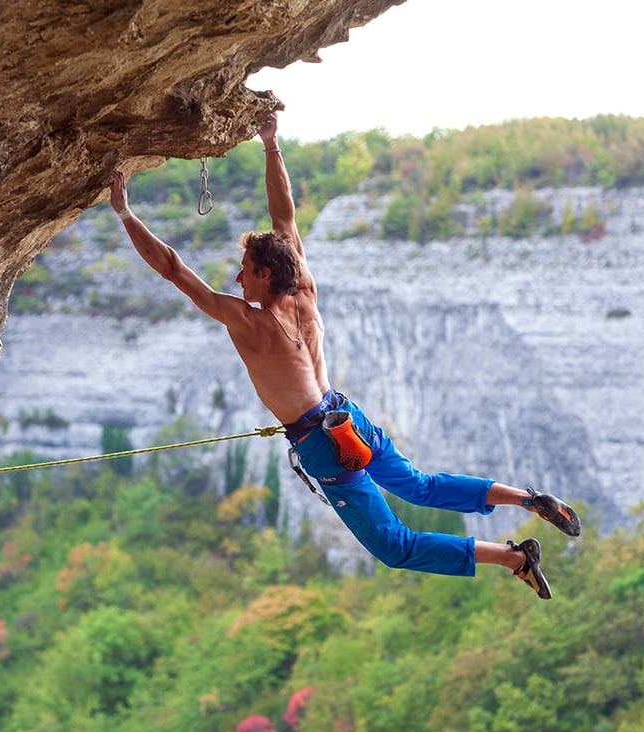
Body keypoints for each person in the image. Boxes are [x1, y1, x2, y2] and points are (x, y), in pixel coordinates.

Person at [107, 113, 580, 599]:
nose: (237, 280)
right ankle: (527, 498)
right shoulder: (304, 291)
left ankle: (513, 558)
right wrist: (271, 145)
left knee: (395, 545)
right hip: (342, 411)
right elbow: (284, 215)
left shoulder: (248, 322)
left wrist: (125, 214)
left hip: (322, 442)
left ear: (266, 274)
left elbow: (173, 269)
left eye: (244, 270)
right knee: (420, 485)